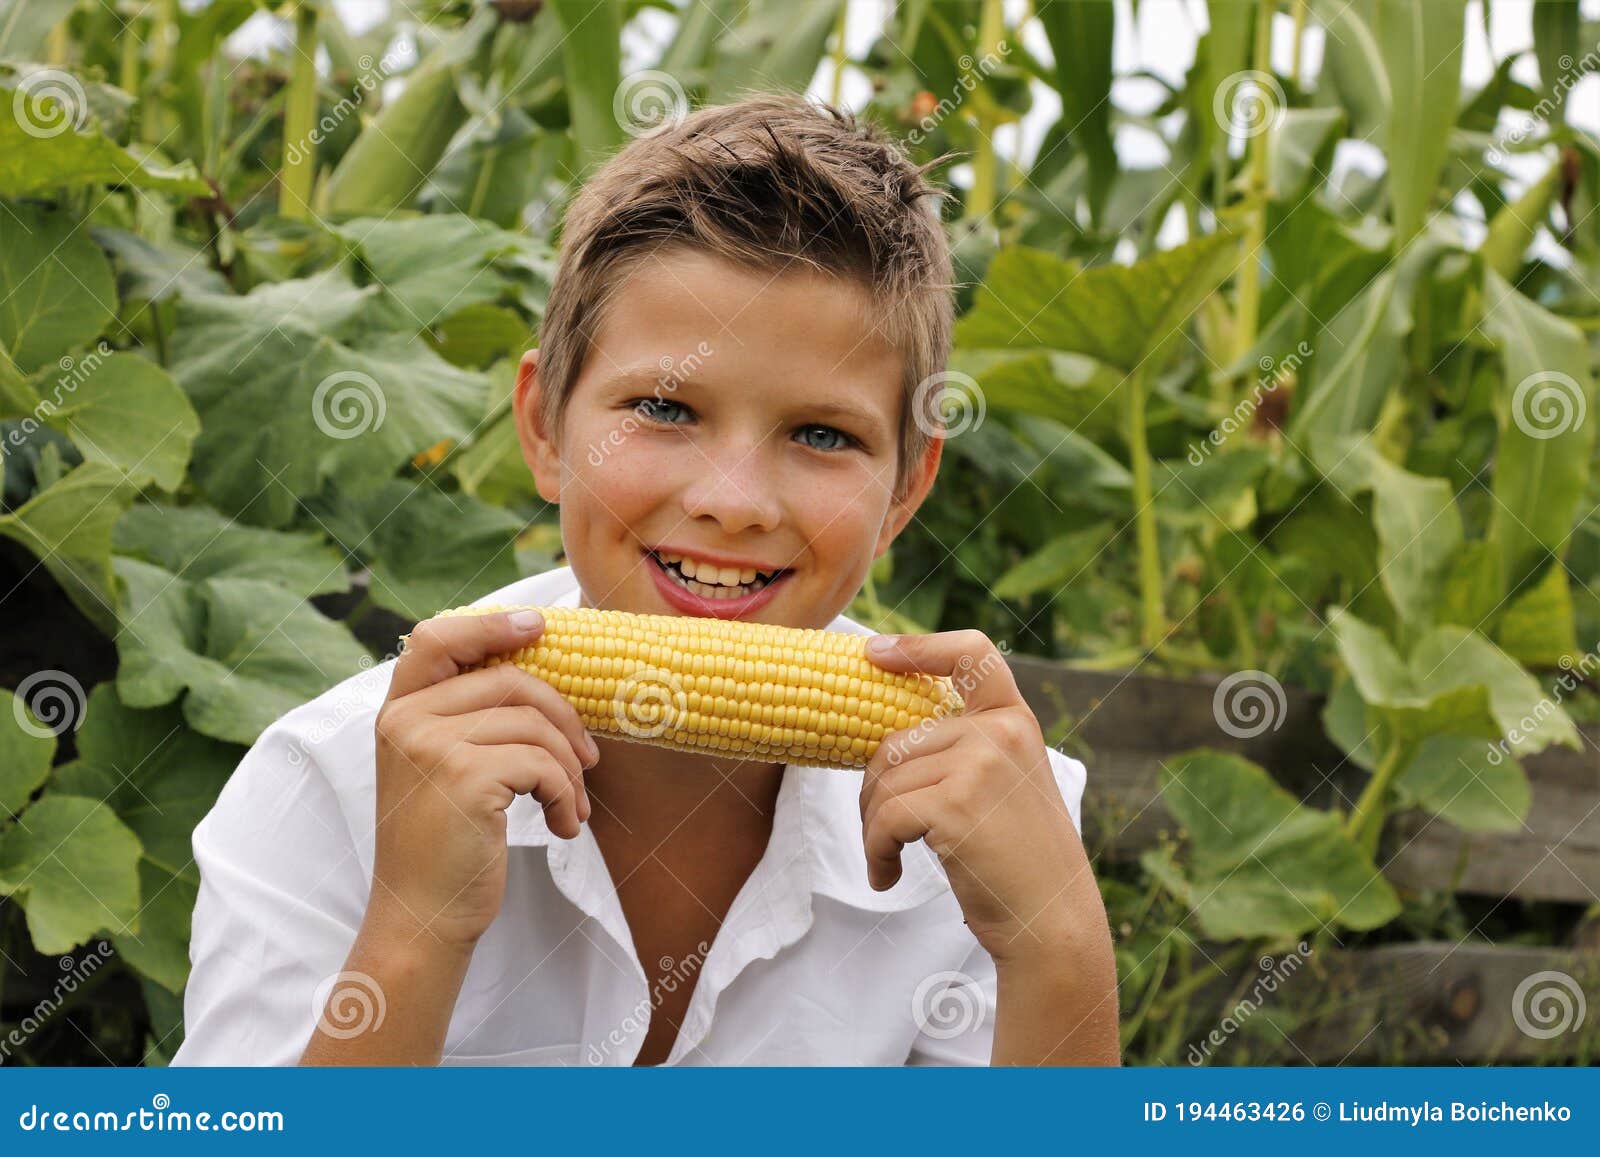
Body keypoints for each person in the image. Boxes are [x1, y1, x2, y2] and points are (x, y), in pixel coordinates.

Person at [173, 95, 1119, 1067]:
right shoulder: (329, 788)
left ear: (906, 488)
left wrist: (1058, 948)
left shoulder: (996, 817)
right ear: (543, 426)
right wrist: (414, 925)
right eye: (665, 407)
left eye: (822, 434)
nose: (732, 499)